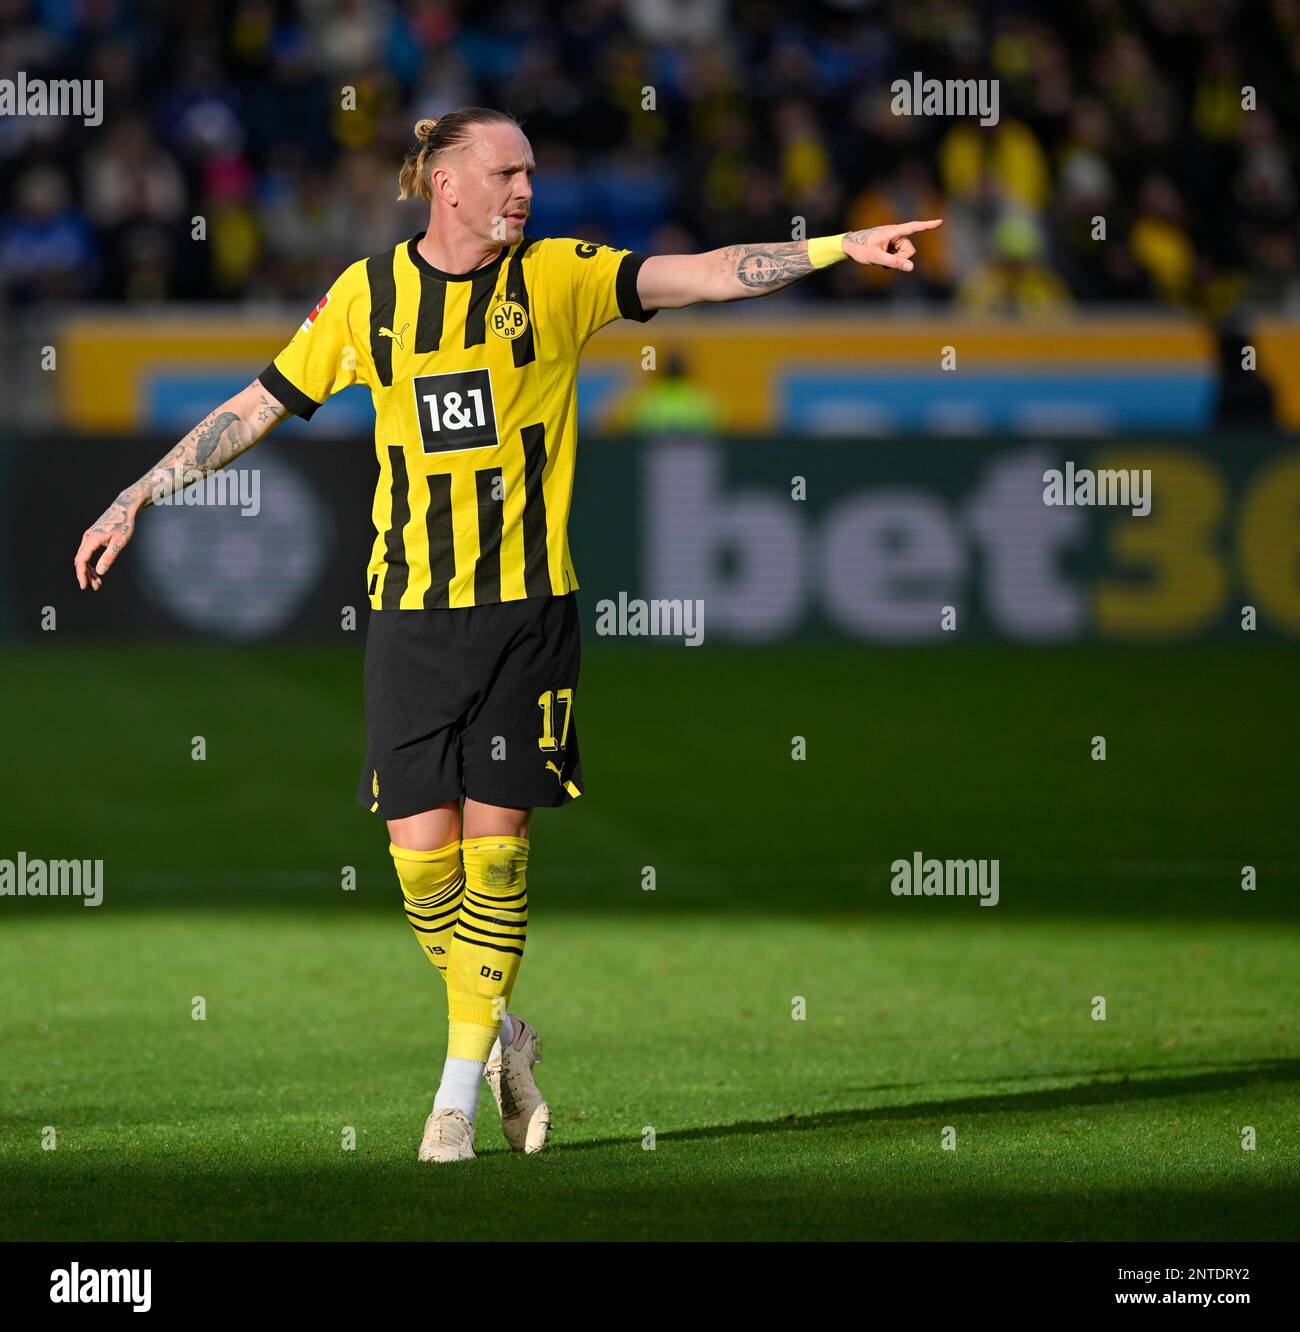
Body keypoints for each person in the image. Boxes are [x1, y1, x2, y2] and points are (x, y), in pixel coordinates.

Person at [73, 106, 941, 1163]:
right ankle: (502, 1036)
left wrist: (839, 246)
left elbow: (708, 273)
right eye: (506, 173)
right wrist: (138, 493)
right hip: (409, 614)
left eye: (531, 171)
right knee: (421, 870)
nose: (526, 189)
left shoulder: (559, 277)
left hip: (530, 615)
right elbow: (256, 406)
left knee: (495, 855)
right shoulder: (367, 297)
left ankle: (451, 1099)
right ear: (445, 183)